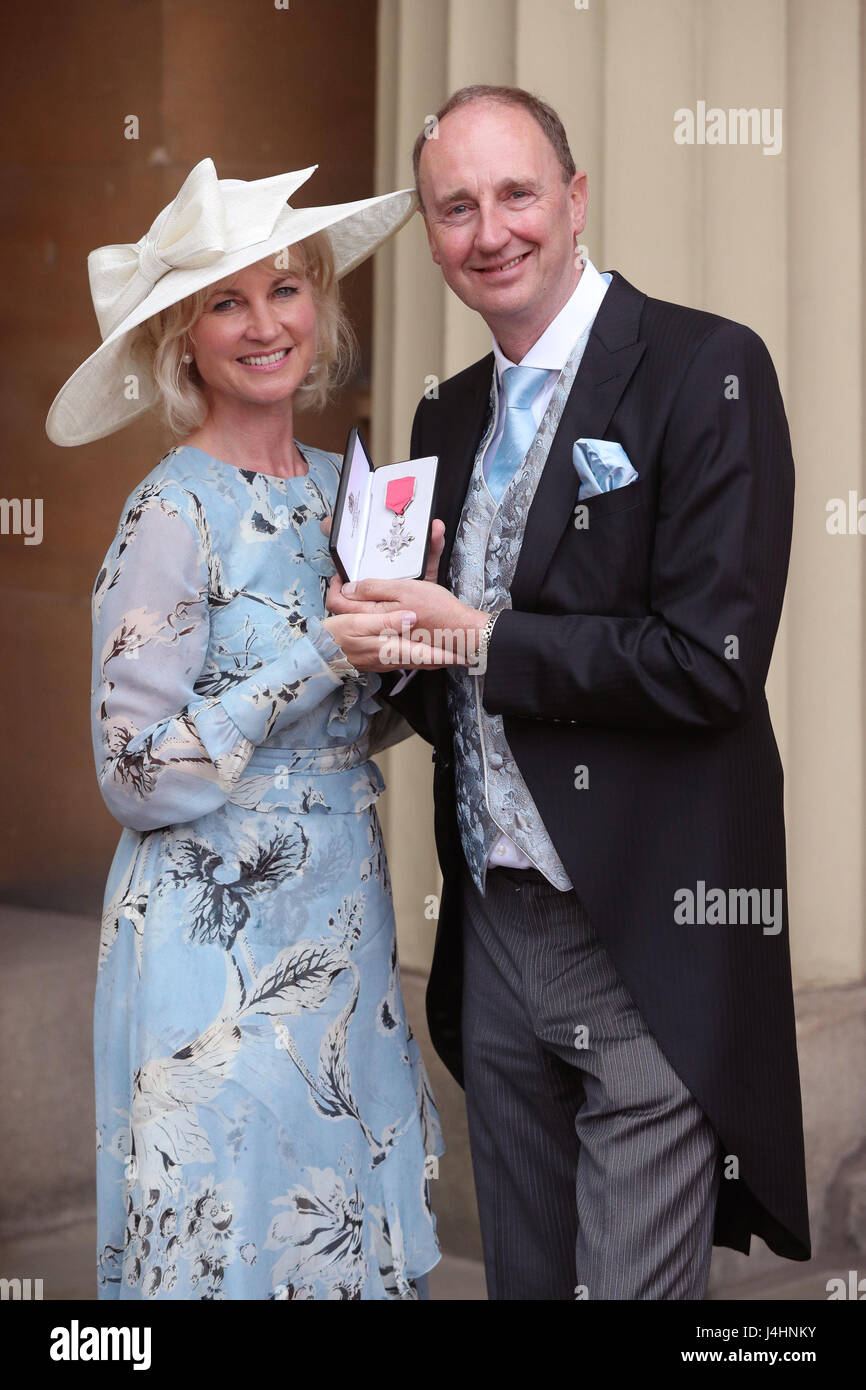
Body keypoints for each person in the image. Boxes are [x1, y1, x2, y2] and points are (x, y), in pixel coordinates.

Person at [326, 85, 811, 1300]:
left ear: (575, 198)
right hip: (495, 931)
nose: (488, 231)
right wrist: (387, 655)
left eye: (515, 193)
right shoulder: (445, 412)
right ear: (431, 236)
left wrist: (481, 635)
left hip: (648, 922)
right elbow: (454, 690)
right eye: (454, 208)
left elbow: (708, 662)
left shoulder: (705, 369)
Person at [46, 157, 446, 1300]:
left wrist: (418, 658)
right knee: (229, 1249)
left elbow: (340, 725)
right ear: (182, 338)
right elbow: (134, 776)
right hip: (205, 937)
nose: (264, 323)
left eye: (285, 289)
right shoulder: (169, 510)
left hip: (342, 921)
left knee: (342, 1244)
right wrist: (319, 650)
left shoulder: (349, 489)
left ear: (319, 307)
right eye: (226, 300)